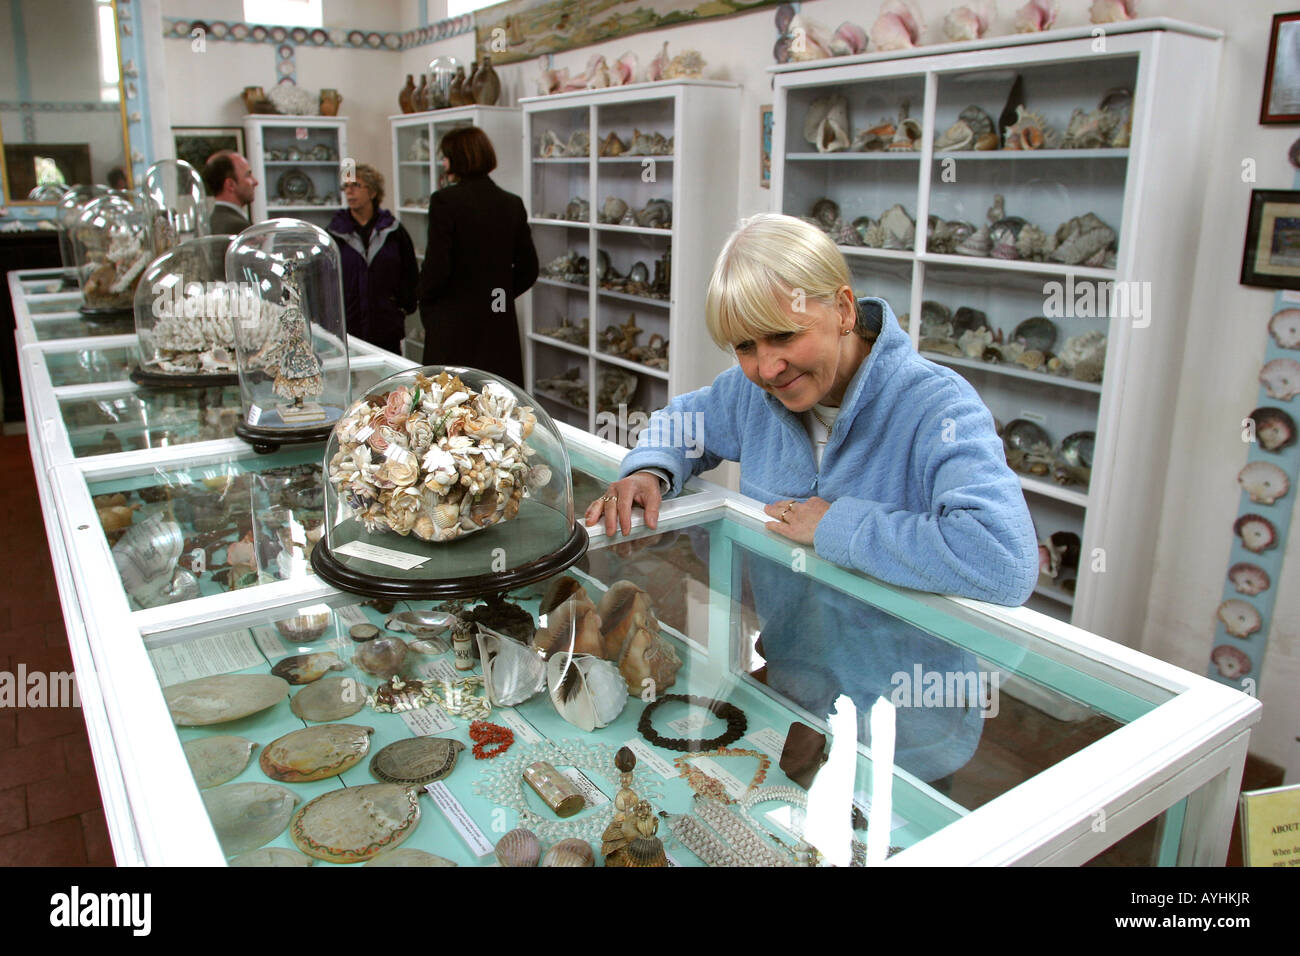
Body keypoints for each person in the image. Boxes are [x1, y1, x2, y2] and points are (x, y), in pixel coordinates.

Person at [585, 213, 1038, 607]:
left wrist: (836, 525)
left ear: (843, 310)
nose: (768, 367)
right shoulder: (753, 393)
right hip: (794, 668)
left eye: (783, 335)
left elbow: (1004, 559)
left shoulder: (939, 407)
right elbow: (681, 423)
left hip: (906, 693)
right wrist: (649, 472)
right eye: (745, 345)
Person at [418, 126, 537, 385]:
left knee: (450, 408)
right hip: (497, 322)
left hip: (452, 324)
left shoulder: (445, 201)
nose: (444, 162)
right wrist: (497, 294)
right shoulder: (511, 203)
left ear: (458, 159)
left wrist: (428, 306)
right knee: (496, 405)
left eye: (446, 156)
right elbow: (529, 269)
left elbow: (437, 268)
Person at [327, 163, 418, 355]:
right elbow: (326, 280)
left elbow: (409, 274)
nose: (349, 191)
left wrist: (401, 309)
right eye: (346, 187)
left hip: (385, 329)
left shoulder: (393, 231)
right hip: (348, 330)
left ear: (373, 192)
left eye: (356, 185)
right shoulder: (335, 233)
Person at [202, 151, 257, 234]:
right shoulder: (239, 227)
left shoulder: (207, 224)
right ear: (230, 184)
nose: (255, 182)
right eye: (248, 175)